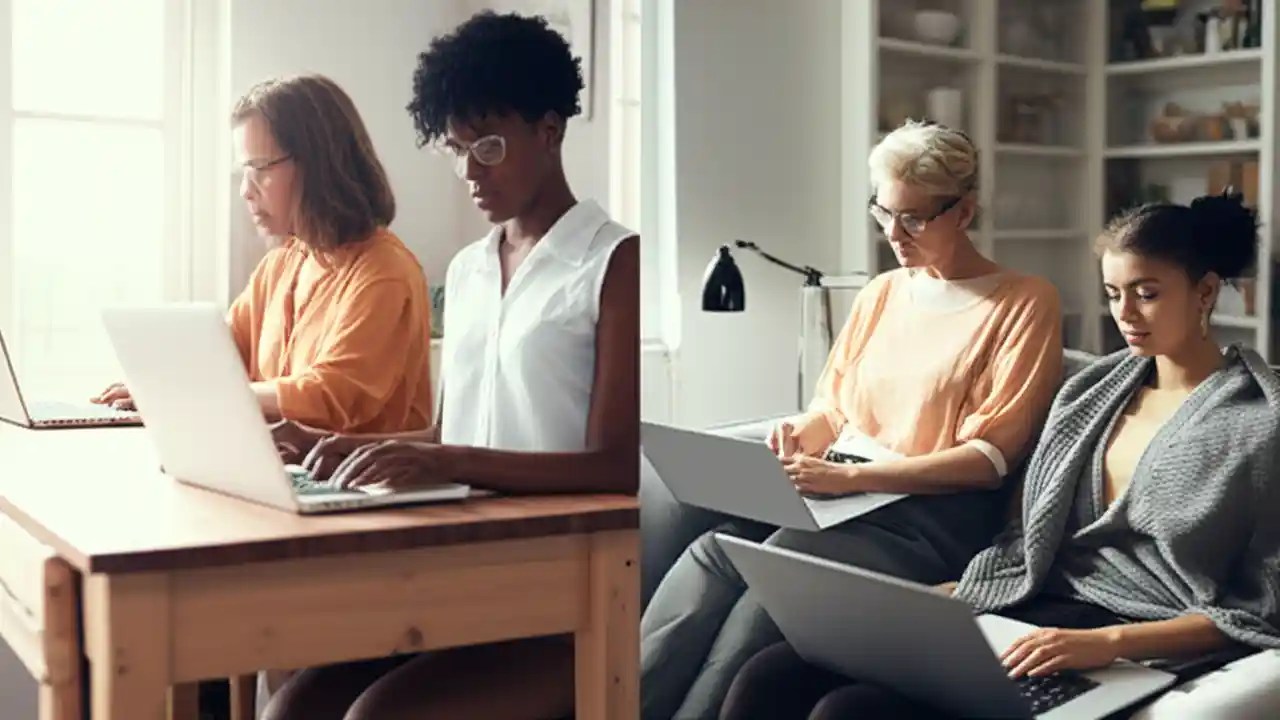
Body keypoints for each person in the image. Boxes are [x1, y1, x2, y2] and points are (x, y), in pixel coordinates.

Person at [721, 191, 1280, 719]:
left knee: (849, 712)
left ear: (1205, 292)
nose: (1125, 314)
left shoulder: (1258, 424)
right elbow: (1027, 536)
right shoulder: (1090, 395)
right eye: (1113, 294)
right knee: (772, 672)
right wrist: (959, 596)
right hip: (1036, 605)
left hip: (1134, 636)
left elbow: (1260, 608)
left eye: (1147, 293)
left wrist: (1106, 643)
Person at [261, 11, 639, 720]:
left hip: (563, 601)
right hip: (455, 577)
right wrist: (330, 445)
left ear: (549, 132)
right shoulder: (468, 270)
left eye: (488, 146)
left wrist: (447, 462)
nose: (469, 171)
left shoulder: (613, 263)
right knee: (289, 708)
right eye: (455, 148)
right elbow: (446, 435)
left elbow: (616, 467)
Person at [640, 120, 1066, 720]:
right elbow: (835, 408)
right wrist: (800, 436)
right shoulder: (882, 293)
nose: (893, 233)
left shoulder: (1024, 301)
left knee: (776, 573)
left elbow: (990, 459)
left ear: (964, 211)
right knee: (712, 553)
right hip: (847, 494)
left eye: (914, 218)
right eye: (883, 212)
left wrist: (854, 479)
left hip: (931, 517)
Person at [92, 75, 433, 436]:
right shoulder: (280, 265)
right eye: (244, 171)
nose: (245, 190)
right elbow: (221, 358)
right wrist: (157, 386)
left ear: (317, 164)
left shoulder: (385, 272)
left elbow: (335, 394)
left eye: (259, 168)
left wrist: (188, 396)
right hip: (281, 464)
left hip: (357, 471)